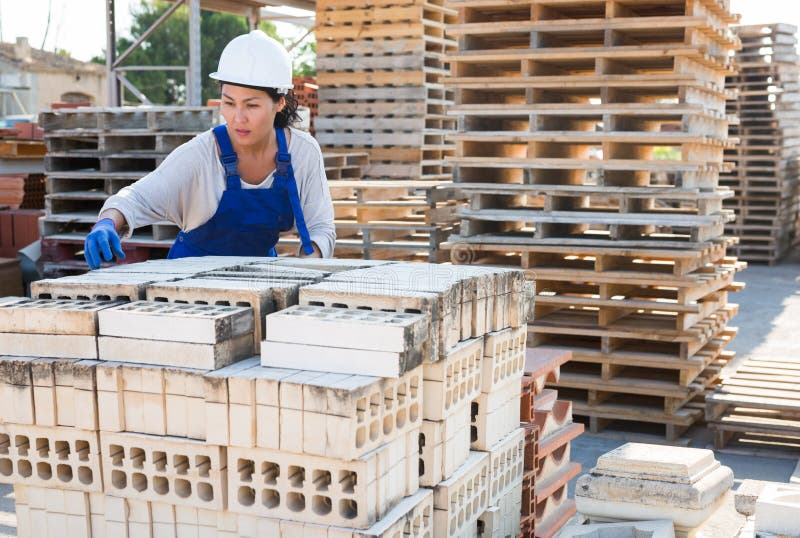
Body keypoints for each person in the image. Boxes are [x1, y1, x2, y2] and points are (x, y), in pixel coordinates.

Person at [83, 30, 335, 270]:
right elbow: (137, 197)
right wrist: (107, 223)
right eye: (228, 102)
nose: (237, 117)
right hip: (189, 287)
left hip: (258, 279)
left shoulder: (302, 153)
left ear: (279, 102)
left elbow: (320, 228)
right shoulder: (200, 155)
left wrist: (306, 266)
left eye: (252, 105)